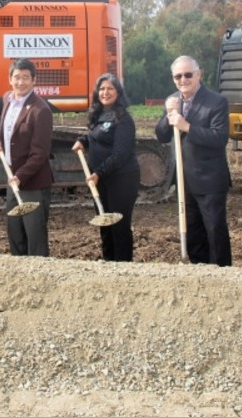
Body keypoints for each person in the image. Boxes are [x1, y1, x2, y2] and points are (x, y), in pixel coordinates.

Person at [155, 55, 232, 265]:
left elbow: (219, 138)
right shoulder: (173, 100)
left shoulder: (216, 102)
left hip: (209, 180)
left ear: (198, 74)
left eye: (188, 74)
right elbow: (162, 135)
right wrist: (169, 113)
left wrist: (187, 126)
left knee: (214, 230)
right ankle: (199, 269)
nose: (183, 80)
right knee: (193, 231)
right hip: (183, 179)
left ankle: (221, 273)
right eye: (178, 76)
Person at [73, 73, 140, 262]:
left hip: (122, 179)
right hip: (101, 179)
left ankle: (123, 265)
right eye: (102, 89)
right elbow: (96, 136)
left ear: (118, 93)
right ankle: (109, 262)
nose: (105, 92)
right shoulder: (98, 114)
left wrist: (98, 173)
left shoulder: (124, 119)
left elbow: (120, 154)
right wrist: (82, 140)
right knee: (105, 222)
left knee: (119, 225)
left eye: (110, 88)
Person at [0, 58, 54, 256]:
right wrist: (1, 145)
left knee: (34, 237)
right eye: (17, 77)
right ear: (10, 79)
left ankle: (40, 279)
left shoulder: (41, 110)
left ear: (34, 80)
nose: (21, 82)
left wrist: (20, 176)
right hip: (13, 181)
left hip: (33, 183)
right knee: (15, 232)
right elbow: (9, 131)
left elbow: (40, 153)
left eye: (26, 78)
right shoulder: (7, 99)